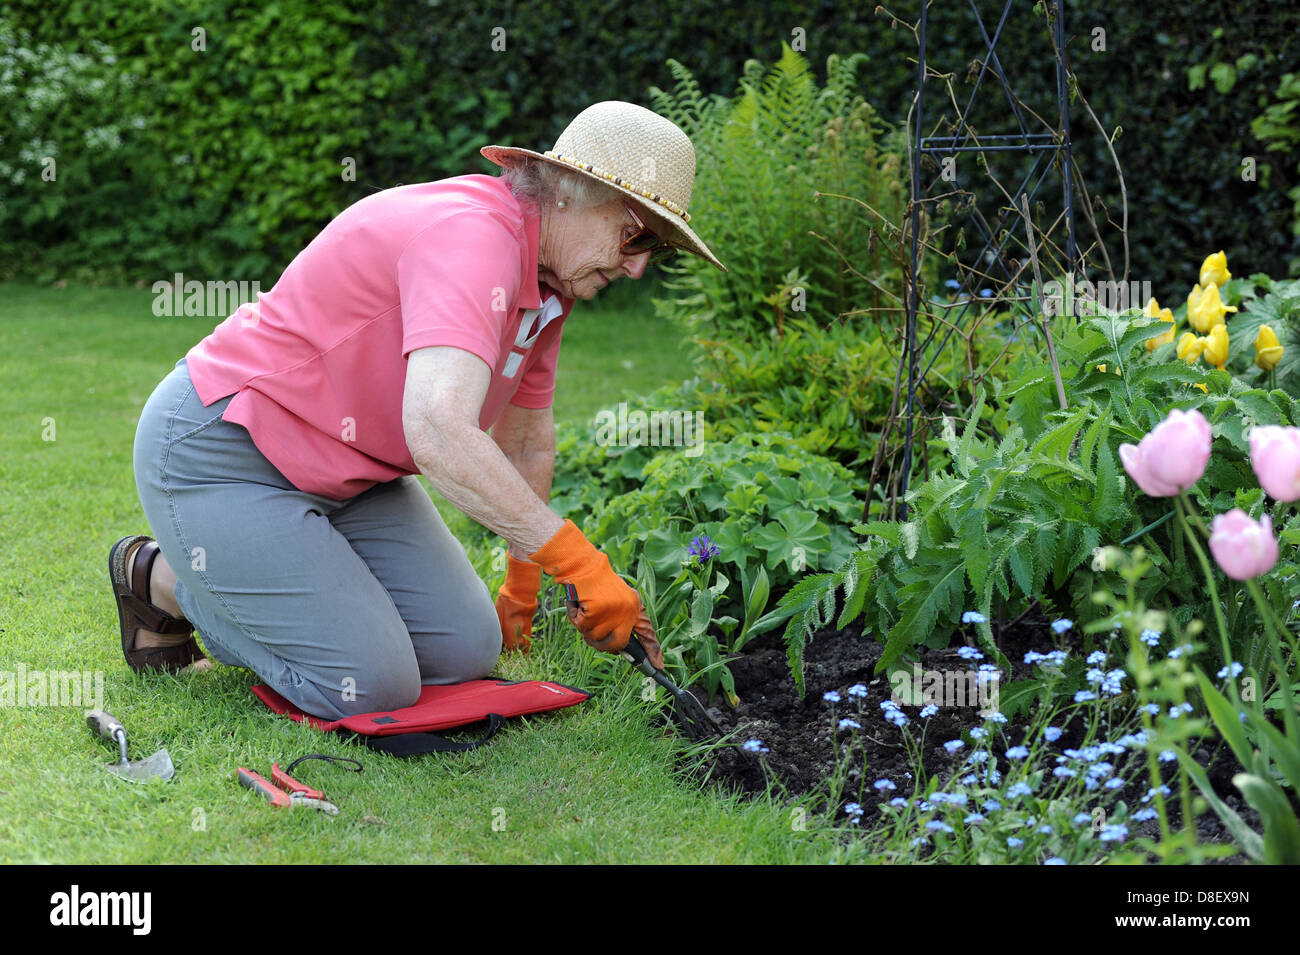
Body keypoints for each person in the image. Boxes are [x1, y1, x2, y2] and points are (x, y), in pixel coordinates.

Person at [109, 101, 726, 720]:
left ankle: (278, 578)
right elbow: (438, 429)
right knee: (367, 682)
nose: (640, 266)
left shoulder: (545, 290)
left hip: (356, 477)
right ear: (568, 189)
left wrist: (523, 584)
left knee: (467, 649)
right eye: (636, 234)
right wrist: (579, 562)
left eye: (659, 248)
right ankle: (164, 581)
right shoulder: (472, 239)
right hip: (227, 451)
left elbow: (525, 442)